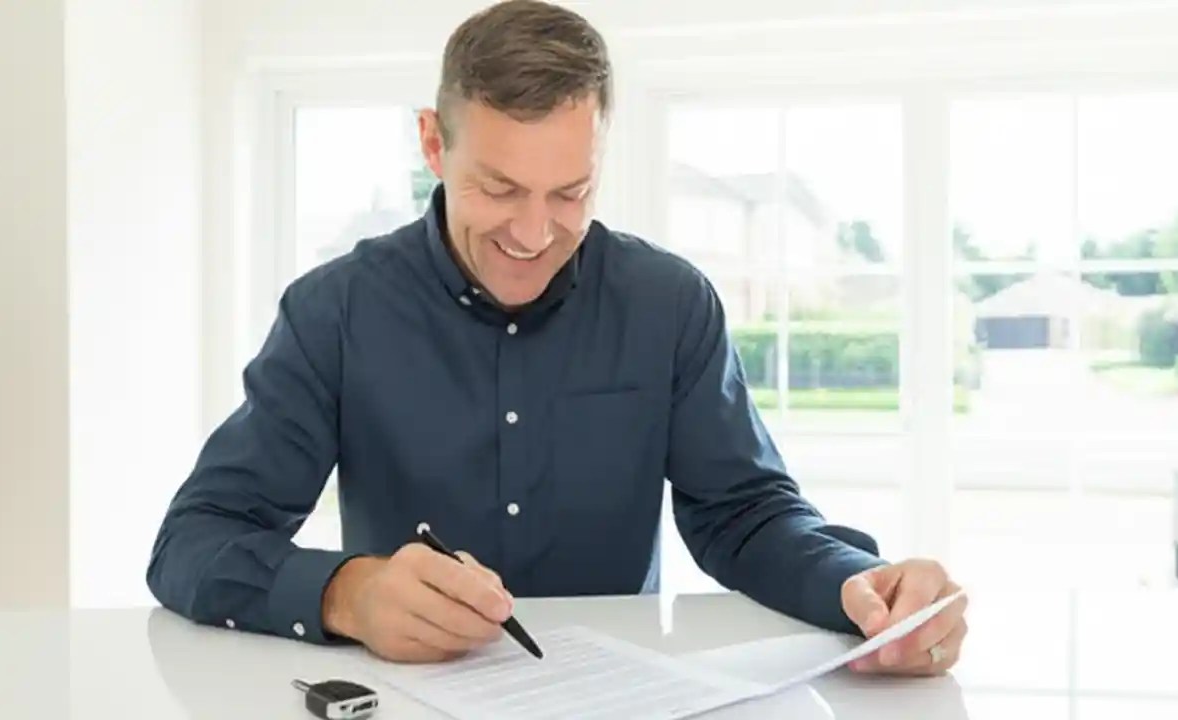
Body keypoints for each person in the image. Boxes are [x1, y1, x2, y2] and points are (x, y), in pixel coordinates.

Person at [147, 0, 968, 677]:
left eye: (570, 191)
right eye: (498, 188)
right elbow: (194, 541)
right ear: (434, 143)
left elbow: (743, 514)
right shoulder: (335, 311)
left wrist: (858, 584)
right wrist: (347, 595)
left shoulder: (670, 304)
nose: (536, 233)